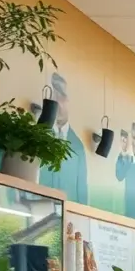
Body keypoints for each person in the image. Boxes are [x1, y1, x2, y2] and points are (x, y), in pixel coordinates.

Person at [39, 72, 88, 204]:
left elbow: (82, 195)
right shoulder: (37, 139)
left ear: (69, 101)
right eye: (53, 94)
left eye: (61, 94)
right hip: (38, 213)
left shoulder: (78, 148)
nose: (56, 100)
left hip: (68, 220)